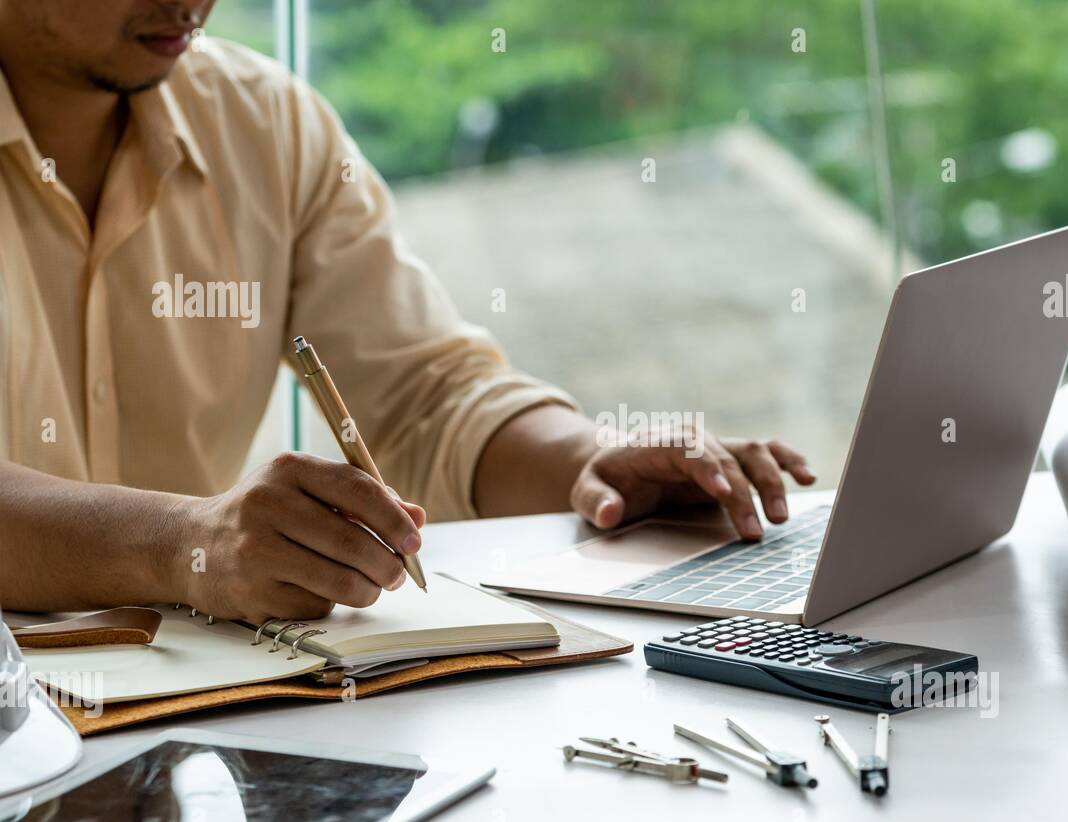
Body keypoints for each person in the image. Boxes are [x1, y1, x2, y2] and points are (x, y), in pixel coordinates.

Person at [0, 0, 815, 622]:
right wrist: (186, 544)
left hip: (179, 731)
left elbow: (427, 397)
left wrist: (589, 463)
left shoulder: (270, 129)